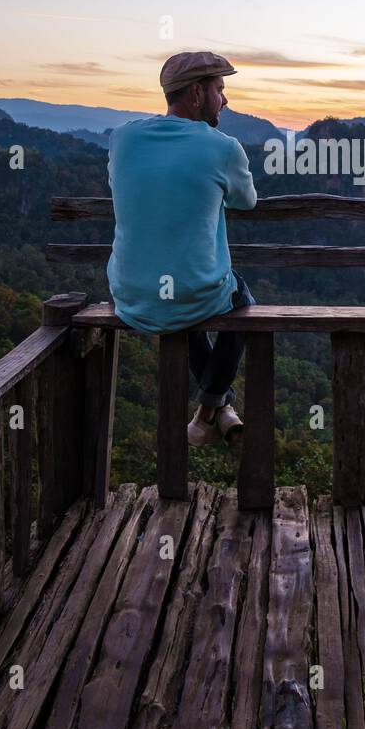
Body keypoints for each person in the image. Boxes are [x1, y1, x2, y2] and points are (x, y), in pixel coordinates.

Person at [106, 50, 258, 447]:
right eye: (220, 90)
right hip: (194, 293)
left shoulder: (123, 138)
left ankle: (215, 410)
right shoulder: (224, 148)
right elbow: (246, 201)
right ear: (196, 93)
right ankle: (212, 406)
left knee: (182, 290)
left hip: (131, 292)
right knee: (240, 299)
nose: (225, 100)